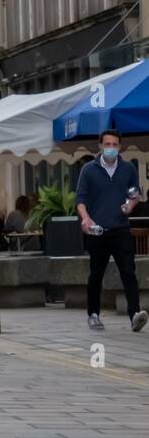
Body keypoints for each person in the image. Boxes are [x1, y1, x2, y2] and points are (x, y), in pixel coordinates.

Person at [76, 129, 147, 332]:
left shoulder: (127, 169)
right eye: (107, 145)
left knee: (129, 272)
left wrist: (130, 206)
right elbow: (80, 199)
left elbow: (135, 195)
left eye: (114, 145)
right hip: (97, 231)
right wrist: (86, 218)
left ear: (120, 147)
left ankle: (134, 314)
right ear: (100, 146)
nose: (111, 148)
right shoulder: (89, 170)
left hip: (121, 229)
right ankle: (93, 314)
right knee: (96, 274)